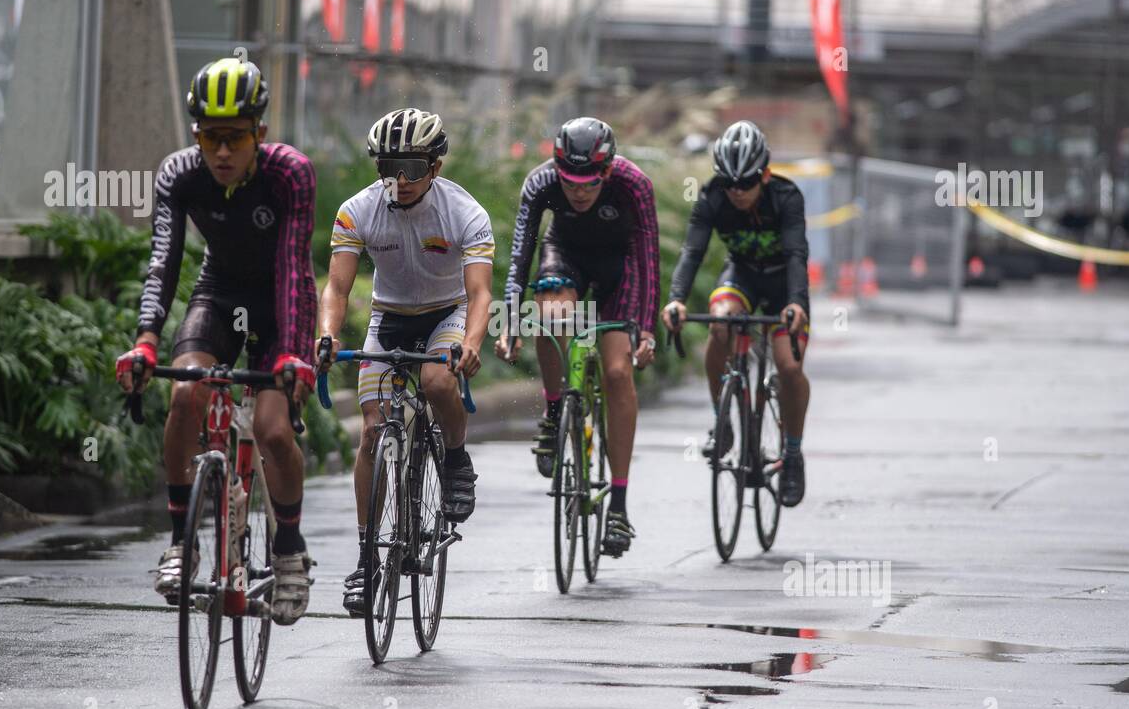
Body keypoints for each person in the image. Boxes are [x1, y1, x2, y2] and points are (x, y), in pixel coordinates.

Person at [115, 56, 318, 624]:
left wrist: (289, 355)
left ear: (260, 133)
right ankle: (182, 540)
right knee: (185, 395)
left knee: (275, 431)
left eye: (233, 138)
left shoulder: (290, 174)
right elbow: (164, 261)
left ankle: (289, 552)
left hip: (281, 300)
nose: (221, 153)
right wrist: (147, 341)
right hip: (220, 290)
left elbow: (294, 268)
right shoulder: (181, 174)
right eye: (209, 137)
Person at [317, 108, 493, 617]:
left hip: (448, 312)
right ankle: (367, 559)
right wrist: (328, 335)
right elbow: (338, 286)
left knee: (439, 381)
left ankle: (456, 459)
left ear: (435, 167)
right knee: (372, 432)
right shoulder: (357, 211)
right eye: (388, 167)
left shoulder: (464, 212)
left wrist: (472, 343)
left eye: (412, 169)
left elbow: (480, 293)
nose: (399, 180)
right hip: (389, 317)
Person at [496, 117, 659, 558]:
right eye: (569, 182)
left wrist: (646, 328)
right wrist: (511, 319)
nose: (578, 192)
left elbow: (647, 257)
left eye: (588, 183)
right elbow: (520, 258)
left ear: (607, 171)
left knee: (618, 372)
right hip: (564, 255)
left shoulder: (633, 185)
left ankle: (620, 507)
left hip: (618, 268)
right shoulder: (540, 183)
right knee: (549, 314)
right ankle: (554, 414)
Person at [660, 120, 810, 507]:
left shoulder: (787, 196)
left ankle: (792, 454)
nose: (737, 192)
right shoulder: (712, 197)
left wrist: (795, 303)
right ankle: (722, 421)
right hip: (742, 276)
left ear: (764, 174)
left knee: (789, 368)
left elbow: (796, 255)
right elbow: (691, 253)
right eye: (729, 183)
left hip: (782, 286)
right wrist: (676, 298)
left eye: (745, 183)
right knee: (720, 323)